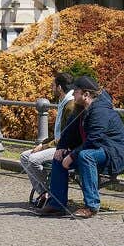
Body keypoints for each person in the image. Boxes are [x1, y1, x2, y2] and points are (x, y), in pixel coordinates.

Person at [41, 75, 124, 219]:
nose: (73, 94)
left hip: (113, 153)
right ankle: (57, 204)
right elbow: (68, 131)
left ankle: (91, 206)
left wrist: (72, 155)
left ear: (86, 94)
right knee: (59, 158)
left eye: (76, 91)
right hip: (94, 150)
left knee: (85, 155)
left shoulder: (101, 111)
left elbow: (94, 140)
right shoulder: (80, 108)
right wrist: (61, 148)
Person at [19, 72, 76, 206]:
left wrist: (43, 146)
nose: (52, 88)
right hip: (58, 144)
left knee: (33, 159)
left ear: (60, 88)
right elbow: (59, 133)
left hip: (65, 147)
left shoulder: (70, 105)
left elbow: (66, 136)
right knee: (24, 156)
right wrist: (45, 143)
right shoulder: (64, 102)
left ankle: (49, 194)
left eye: (53, 86)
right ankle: (44, 193)